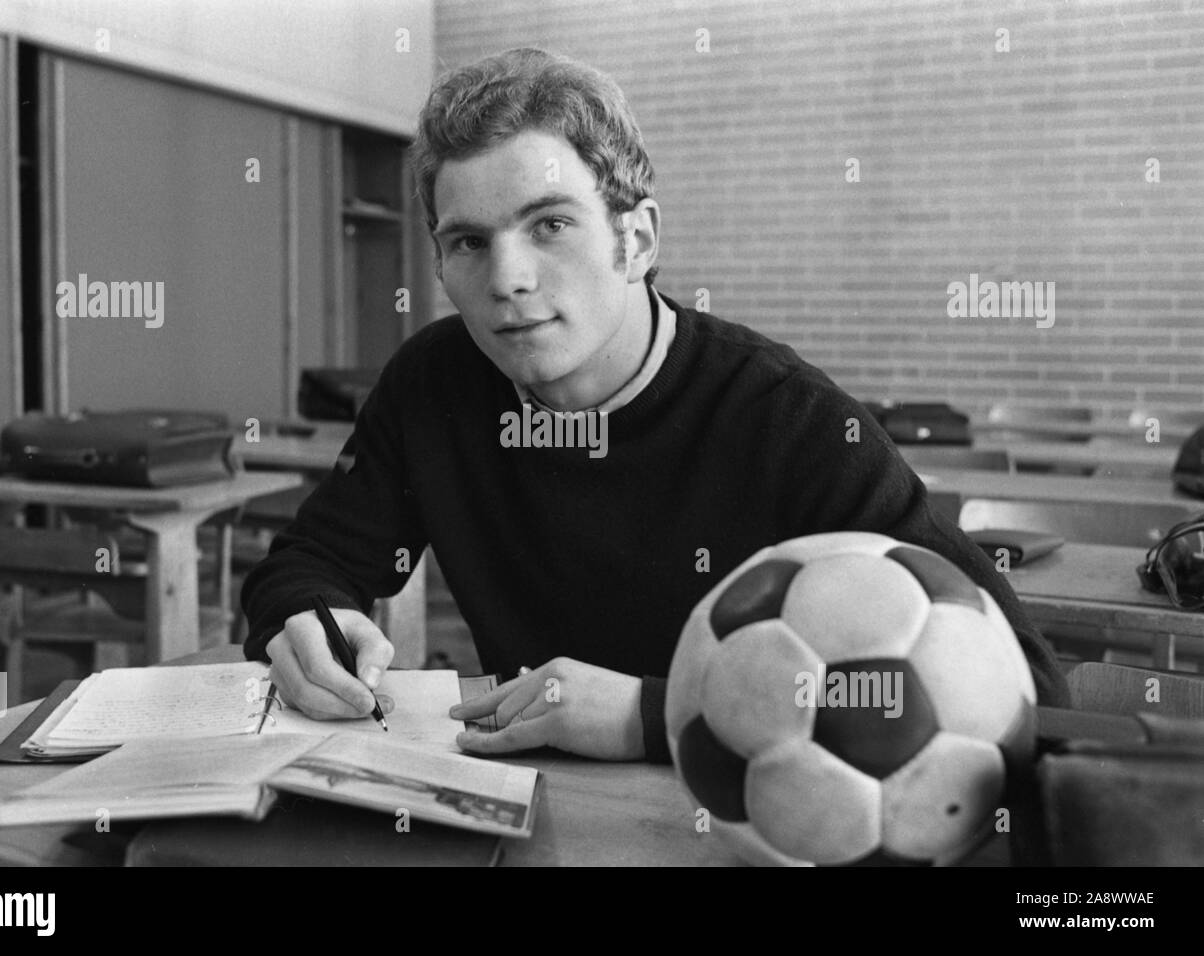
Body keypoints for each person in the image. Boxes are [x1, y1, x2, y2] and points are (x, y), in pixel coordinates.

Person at [240, 47, 1069, 764]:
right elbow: (308, 562)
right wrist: (309, 617)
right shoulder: (433, 385)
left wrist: (657, 713)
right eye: (468, 242)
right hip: (528, 805)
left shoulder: (789, 422)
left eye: (550, 225)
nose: (509, 279)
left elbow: (1016, 688)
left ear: (635, 241)